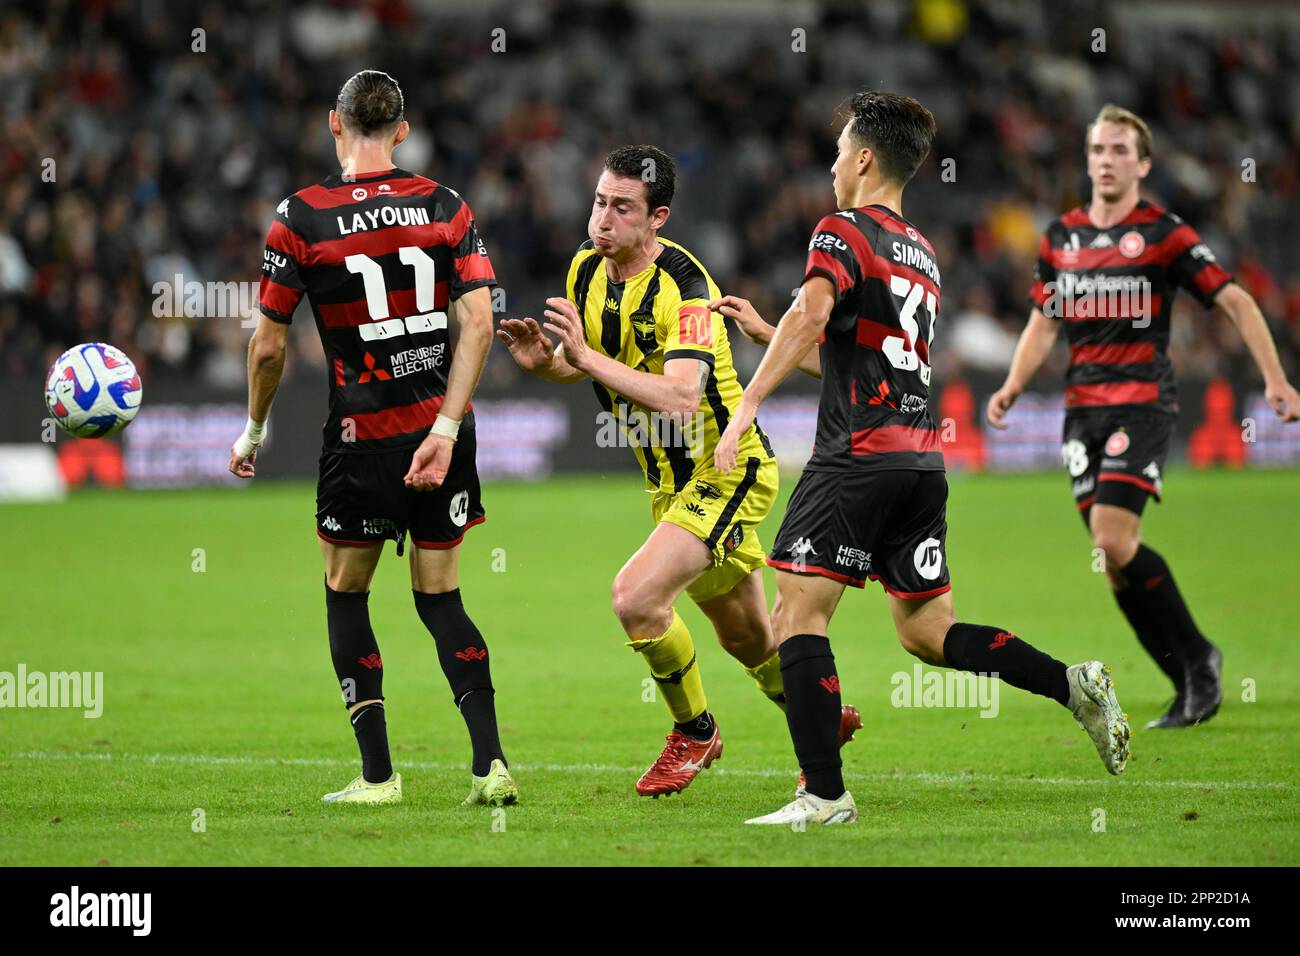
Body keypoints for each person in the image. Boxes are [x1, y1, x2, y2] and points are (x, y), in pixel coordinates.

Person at [714, 92, 1130, 828]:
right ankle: (1071, 684)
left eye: (842, 149)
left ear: (865, 158)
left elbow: (810, 316)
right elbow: (860, 361)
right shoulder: (922, 252)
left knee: (796, 615)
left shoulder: (840, 230)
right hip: (918, 462)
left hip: (855, 459)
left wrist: (748, 403)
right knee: (927, 632)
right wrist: (766, 337)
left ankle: (824, 794)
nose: (836, 162)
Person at [497, 145, 859, 798]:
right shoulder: (586, 269)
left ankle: (695, 731)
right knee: (749, 639)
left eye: (622, 208)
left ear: (656, 217)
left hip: (726, 471)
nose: (603, 219)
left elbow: (681, 396)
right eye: (600, 202)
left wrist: (581, 357)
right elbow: (587, 362)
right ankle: (820, 716)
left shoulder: (687, 288)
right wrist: (547, 363)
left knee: (635, 598)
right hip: (668, 486)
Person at [228, 70, 516, 807]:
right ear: (402, 129)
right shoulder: (446, 207)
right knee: (442, 597)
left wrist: (255, 429)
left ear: (334, 123)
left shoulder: (299, 217)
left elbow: (267, 349)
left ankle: (380, 776)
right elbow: (479, 324)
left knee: (345, 593)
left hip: (360, 442)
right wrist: (447, 428)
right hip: (441, 437)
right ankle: (490, 765)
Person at [987, 104, 1300, 728]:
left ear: (1143, 163)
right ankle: (1184, 681)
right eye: (1098, 150)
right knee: (1116, 567)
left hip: (1143, 402)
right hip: (1082, 414)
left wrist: (1275, 377)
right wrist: (1013, 385)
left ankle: (1202, 660)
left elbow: (1233, 299)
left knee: (1112, 538)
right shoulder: (1061, 237)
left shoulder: (1165, 233)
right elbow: (1044, 321)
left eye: (1120, 151)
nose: (1106, 160)